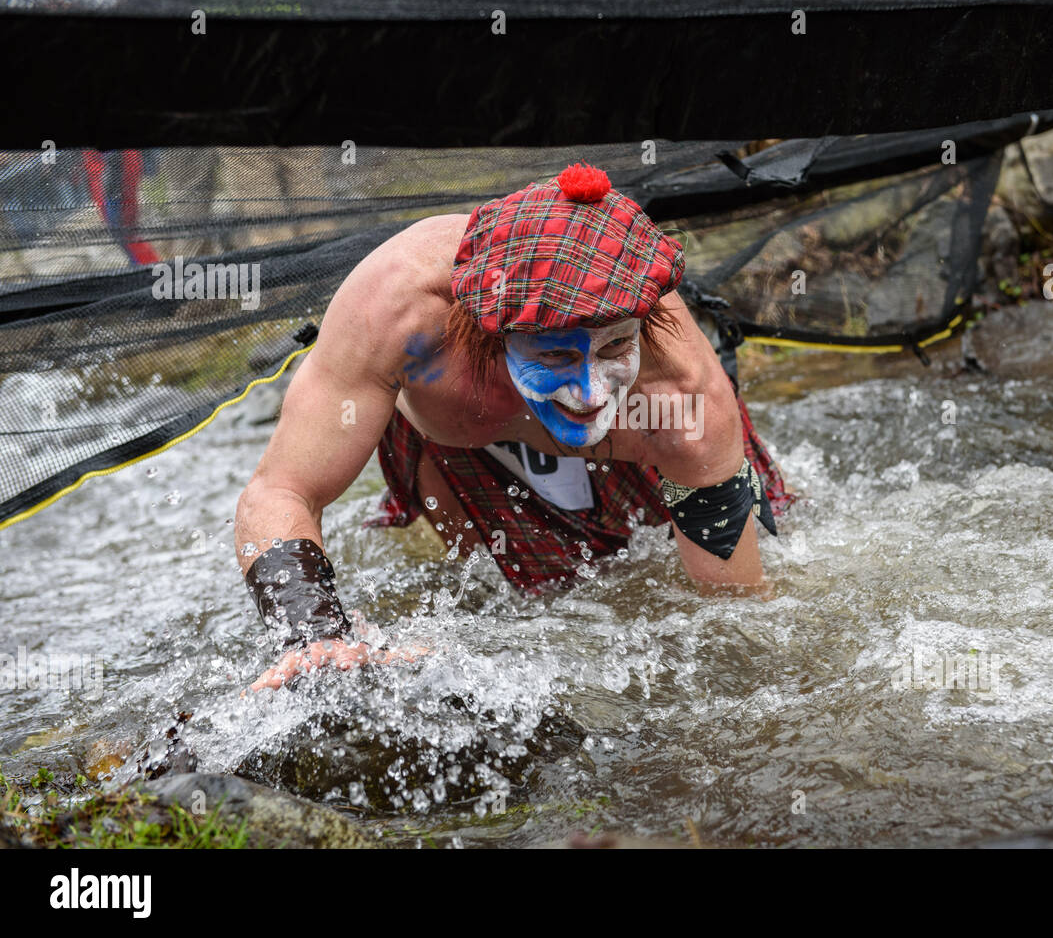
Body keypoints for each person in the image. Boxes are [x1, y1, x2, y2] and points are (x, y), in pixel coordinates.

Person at [235, 164, 792, 691]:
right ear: (485, 334)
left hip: (640, 447)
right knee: (518, 604)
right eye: (553, 358)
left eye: (617, 346)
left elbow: (735, 618)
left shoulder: (683, 403)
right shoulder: (398, 308)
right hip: (453, 439)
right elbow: (281, 490)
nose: (590, 394)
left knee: (721, 567)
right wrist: (313, 635)